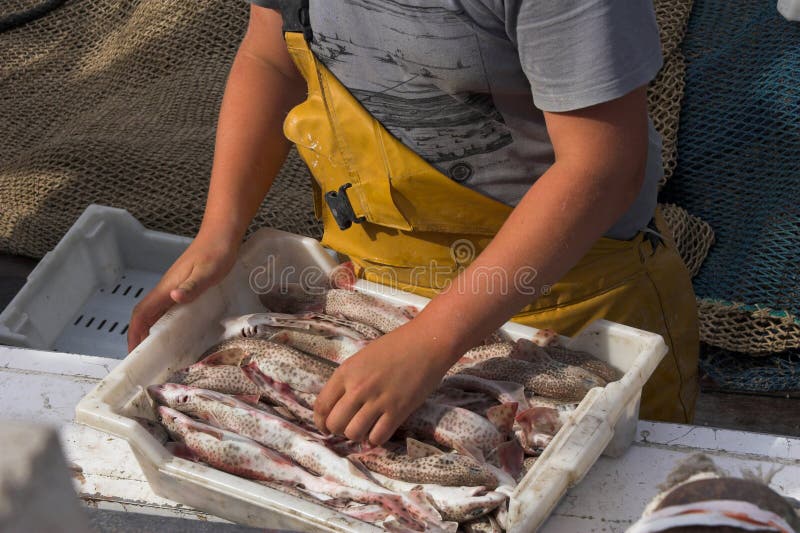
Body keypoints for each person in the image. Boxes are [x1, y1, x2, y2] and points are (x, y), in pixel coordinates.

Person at [129, 0, 700, 446]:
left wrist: (432, 340)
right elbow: (268, 56)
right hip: (375, 282)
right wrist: (219, 231)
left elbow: (601, 167)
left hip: (568, 290)